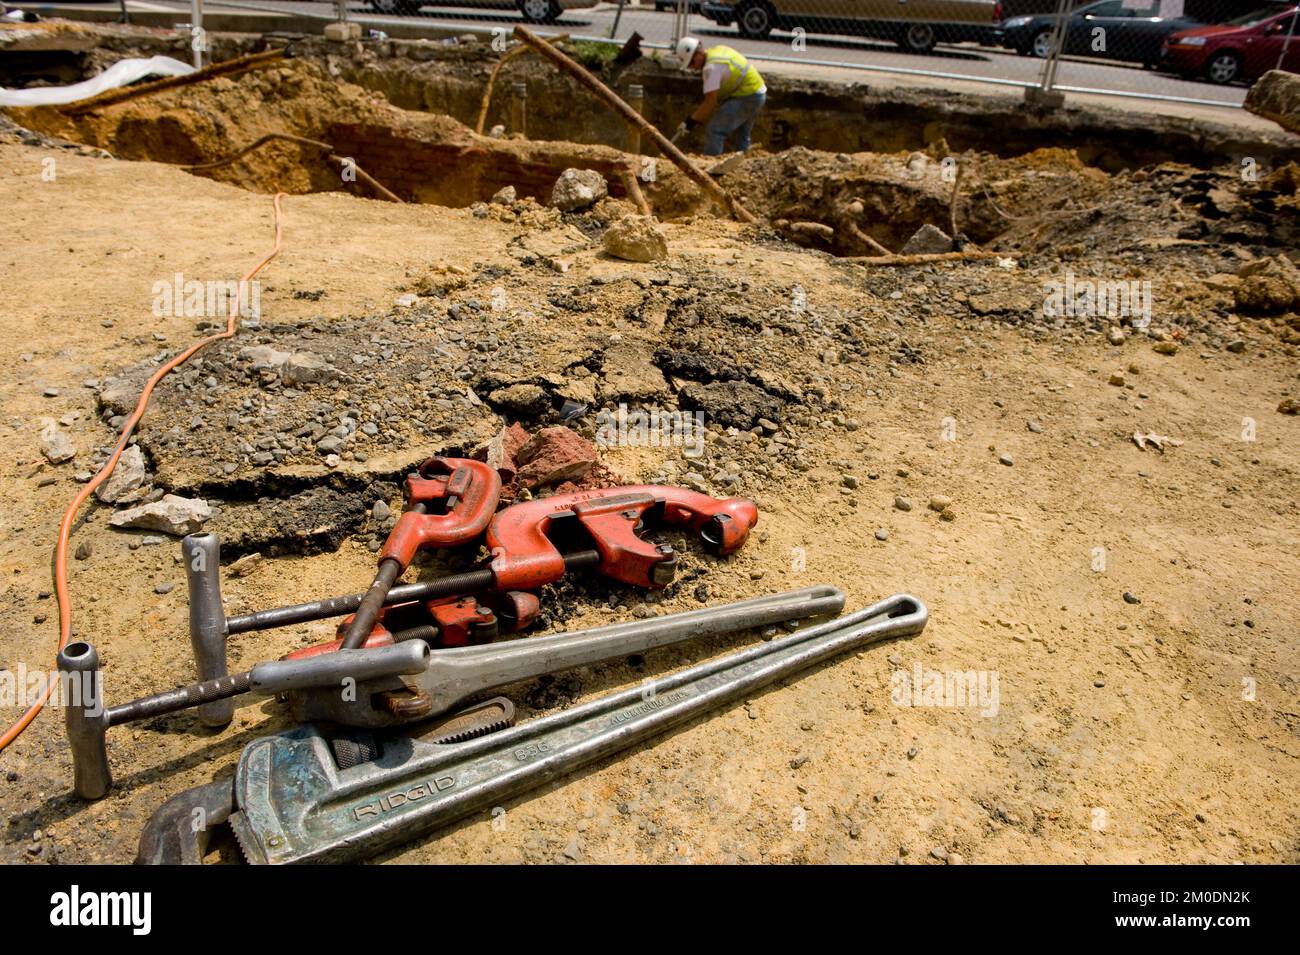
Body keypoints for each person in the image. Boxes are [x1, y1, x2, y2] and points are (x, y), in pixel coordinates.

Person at [673, 36, 767, 156]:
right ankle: (744, 165)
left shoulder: (710, 68)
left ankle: (711, 167)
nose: (692, 67)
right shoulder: (717, 50)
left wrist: (690, 122)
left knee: (715, 130)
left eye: (692, 62)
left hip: (747, 96)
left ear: (699, 53)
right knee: (741, 133)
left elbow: (710, 102)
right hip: (757, 92)